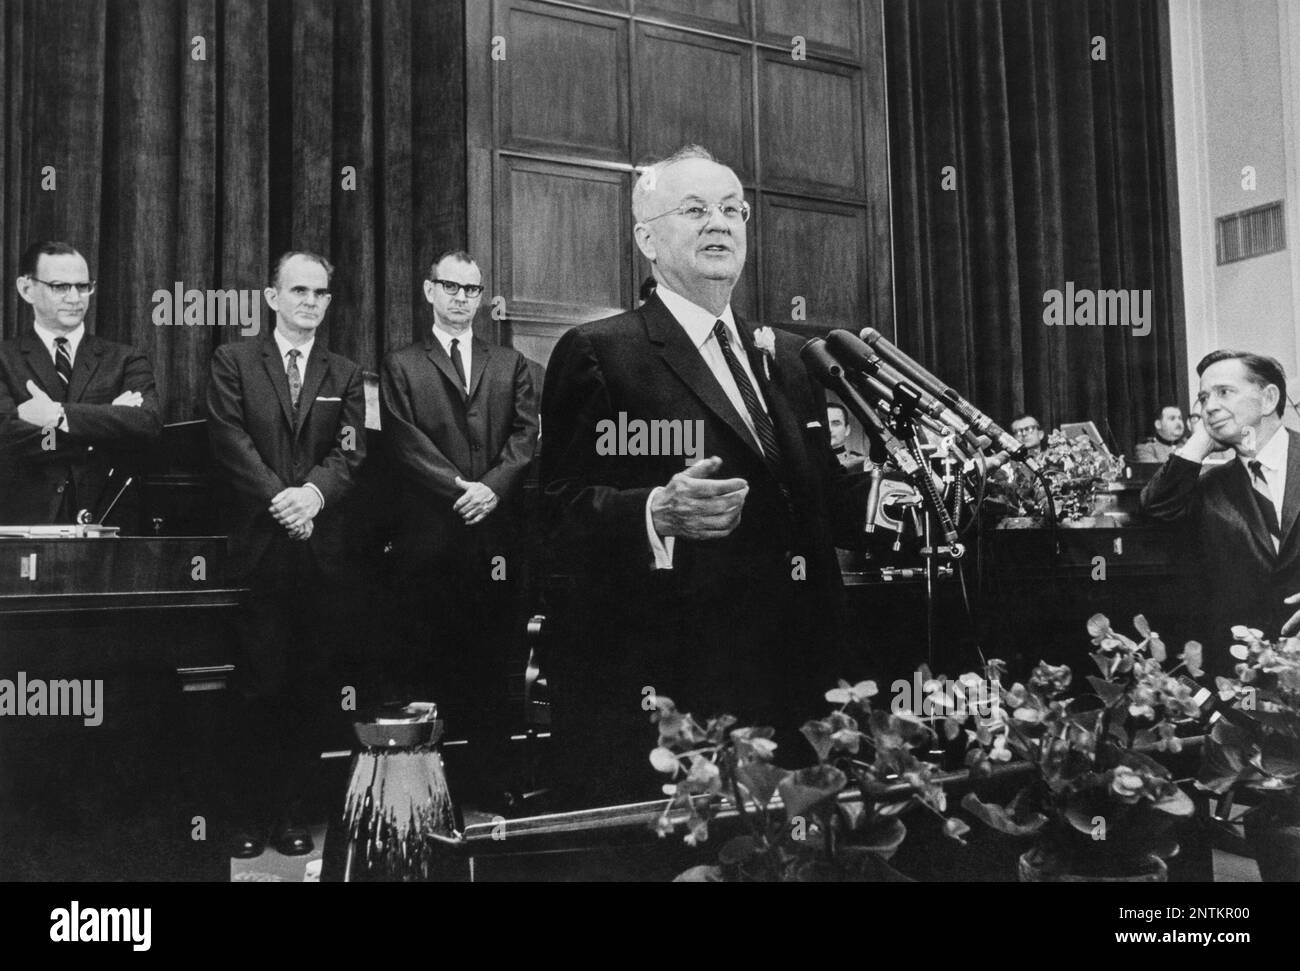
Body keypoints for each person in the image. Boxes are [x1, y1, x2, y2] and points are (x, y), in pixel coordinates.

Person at [540, 145, 868, 804]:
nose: (719, 223)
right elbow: (553, 510)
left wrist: (935, 495)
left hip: (800, 679)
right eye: (695, 210)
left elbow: (823, 494)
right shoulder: (603, 353)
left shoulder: (790, 358)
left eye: (732, 210)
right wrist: (654, 510)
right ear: (647, 239)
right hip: (689, 687)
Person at [205, 251, 367, 857]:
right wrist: (285, 501)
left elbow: (350, 452)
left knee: (310, 688)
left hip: (322, 554)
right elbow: (228, 439)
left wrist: (314, 498)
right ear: (271, 298)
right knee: (257, 688)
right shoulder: (234, 360)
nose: (310, 302)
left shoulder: (345, 372)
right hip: (259, 548)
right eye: (298, 290)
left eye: (320, 293)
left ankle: (294, 813)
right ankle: (247, 817)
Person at [379, 250, 538, 795]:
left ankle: (494, 783)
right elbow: (405, 441)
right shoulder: (401, 363)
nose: (461, 298)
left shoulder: (509, 362)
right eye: (450, 286)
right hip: (430, 541)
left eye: (471, 289)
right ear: (429, 291)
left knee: (493, 663)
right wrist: (461, 490)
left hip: (495, 540)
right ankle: (428, 791)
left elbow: (525, 436)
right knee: (428, 661)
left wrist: (492, 489)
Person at [1140, 350, 1300, 675]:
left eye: (1224, 392)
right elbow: (1155, 509)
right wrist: (1200, 442)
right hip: (1243, 672)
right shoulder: (1212, 486)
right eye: (1203, 397)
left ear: (1269, 399)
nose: (1208, 406)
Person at [0, 241, 160, 526]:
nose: (75, 297)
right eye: (60, 286)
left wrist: (58, 415)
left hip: (110, 525)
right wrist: (104, 424)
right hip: (24, 526)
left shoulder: (126, 359)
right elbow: (8, 438)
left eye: (83, 286)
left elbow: (145, 424)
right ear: (26, 289)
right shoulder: (4, 359)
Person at [827, 401, 866, 471]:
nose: (829, 429)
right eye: (825, 424)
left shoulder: (862, 464)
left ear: (847, 430)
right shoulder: (806, 462)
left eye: (836, 424)